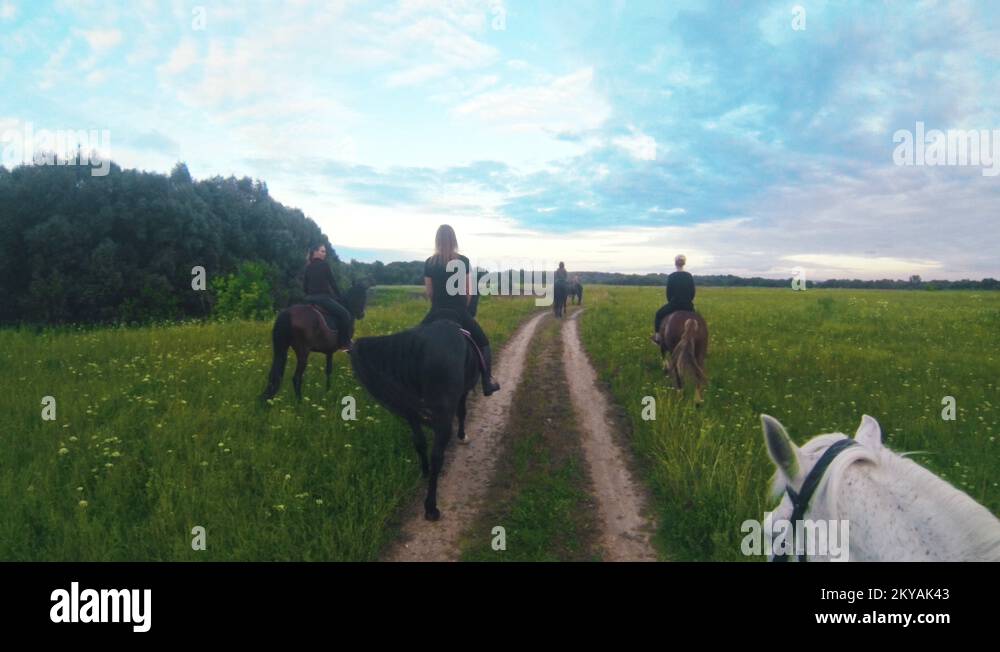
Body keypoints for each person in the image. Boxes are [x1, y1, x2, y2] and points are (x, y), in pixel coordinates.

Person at [422, 224, 500, 396]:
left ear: (437, 240)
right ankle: (487, 382)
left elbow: (429, 292)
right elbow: (467, 291)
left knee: (415, 342)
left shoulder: (429, 263)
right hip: (459, 311)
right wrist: (462, 307)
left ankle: (415, 388)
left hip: (436, 311)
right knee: (483, 343)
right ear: (454, 240)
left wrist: (437, 305)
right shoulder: (463, 261)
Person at [303, 244, 354, 347]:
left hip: (309, 299)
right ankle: (344, 343)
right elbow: (332, 282)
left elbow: (304, 286)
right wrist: (339, 296)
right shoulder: (324, 265)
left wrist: (309, 295)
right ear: (315, 252)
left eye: (325, 251)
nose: (324, 254)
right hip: (323, 299)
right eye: (322, 251)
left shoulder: (308, 267)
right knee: (345, 315)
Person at [652, 254, 695, 344]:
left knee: (658, 315)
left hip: (674, 304)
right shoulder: (689, 276)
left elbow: (669, 293)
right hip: (688, 306)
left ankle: (657, 337)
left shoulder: (672, 276)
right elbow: (692, 292)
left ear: (675, 263)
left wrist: (671, 302)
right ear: (684, 263)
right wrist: (688, 301)